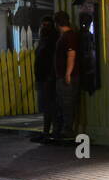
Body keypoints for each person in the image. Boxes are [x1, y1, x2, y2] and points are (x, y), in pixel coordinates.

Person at [51, 10, 80, 141]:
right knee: (65, 103)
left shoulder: (68, 36)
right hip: (64, 76)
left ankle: (67, 130)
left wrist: (68, 73)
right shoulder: (68, 36)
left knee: (66, 103)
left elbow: (71, 54)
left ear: (57, 23)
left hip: (67, 77)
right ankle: (65, 129)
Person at [32, 16, 57, 142]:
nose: (44, 28)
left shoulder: (51, 41)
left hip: (48, 78)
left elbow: (51, 60)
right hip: (41, 78)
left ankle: (52, 131)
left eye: (47, 25)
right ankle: (46, 131)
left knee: (49, 106)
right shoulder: (43, 40)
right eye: (43, 25)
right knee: (44, 106)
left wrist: (50, 77)